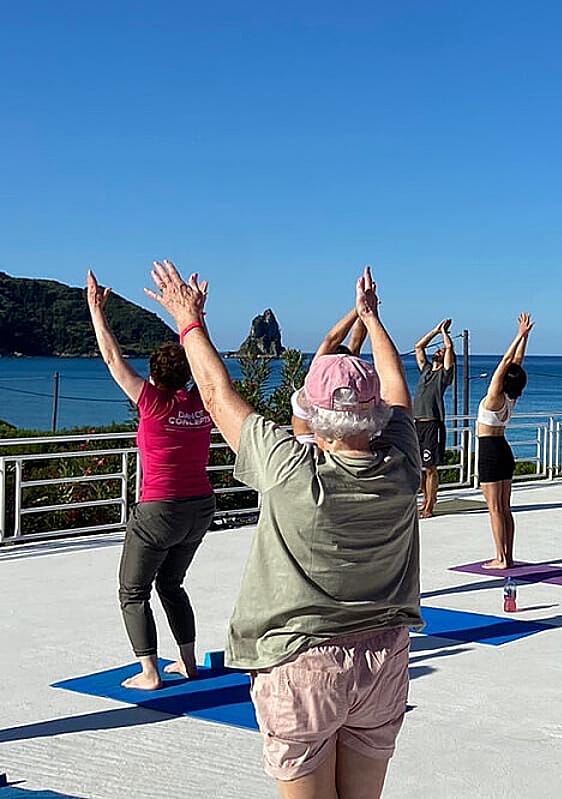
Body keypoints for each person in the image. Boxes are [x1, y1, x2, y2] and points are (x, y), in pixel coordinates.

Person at [145, 261, 421, 798]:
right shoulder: (401, 464)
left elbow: (215, 394)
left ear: (313, 417)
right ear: (376, 416)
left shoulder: (290, 470)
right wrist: (373, 320)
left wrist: (189, 320)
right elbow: (397, 387)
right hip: (385, 656)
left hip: (302, 664)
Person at [85, 270, 216, 691]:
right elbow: (207, 365)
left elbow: (111, 358)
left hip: (160, 509)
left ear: (154, 376)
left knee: (132, 591)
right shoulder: (201, 400)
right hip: (200, 507)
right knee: (171, 584)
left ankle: (149, 672)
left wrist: (95, 309)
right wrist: (193, 317)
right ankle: (189, 662)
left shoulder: (153, 401)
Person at [478, 313, 533, 569]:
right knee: (505, 507)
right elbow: (515, 365)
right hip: (503, 449)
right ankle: (507, 555)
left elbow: (504, 364)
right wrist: (525, 337)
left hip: (489, 449)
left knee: (494, 509)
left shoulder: (493, 398)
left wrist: (519, 336)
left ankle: (500, 558)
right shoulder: (511, 397)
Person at [292, 308, 368, 446]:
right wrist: (365, 311)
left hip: (309, 448)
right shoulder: (343, 393)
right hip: (331, 447)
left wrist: (360, 310)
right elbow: (351, 342)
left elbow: (335, 340)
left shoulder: (314, 385)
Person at [413, 319, 456, 518]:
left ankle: (430, 506)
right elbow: (418, 346)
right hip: (416, 423)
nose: (437, 351)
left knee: (430, 467)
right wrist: (434, 330)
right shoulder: (426, 370)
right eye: (437, 351)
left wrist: (444, 334)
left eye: (440, 352)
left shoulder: (445, 375)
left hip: (432, 424)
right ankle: (425, 500)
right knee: (419, 466)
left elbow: (448, 347)